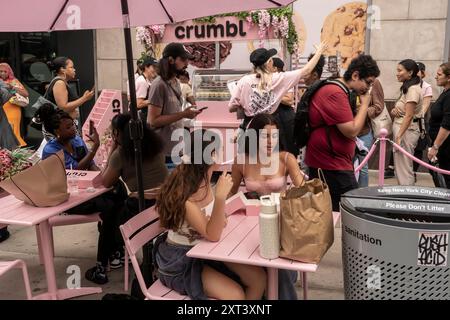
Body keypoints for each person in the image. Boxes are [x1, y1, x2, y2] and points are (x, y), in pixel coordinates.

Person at [154, 129, 267, 300]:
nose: (222, 153)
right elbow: (213, 234)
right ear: (211, 156)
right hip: (181, 260)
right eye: (219, 150)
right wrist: (221, 197)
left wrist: (215, 217)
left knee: (258, 278)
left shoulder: (204, 181)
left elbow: (214, 224)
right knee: (235, 296)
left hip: (204, 250)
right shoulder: (187, 197)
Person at [37, 104, 127, 284]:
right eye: (68, 127)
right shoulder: (51, 150)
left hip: (89, 192)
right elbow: (73, 173)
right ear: (56, 131)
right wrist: (95, 148)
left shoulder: (77, 141)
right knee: (111, 208)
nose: (74, 129)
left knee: (120, 192)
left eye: (73, 125)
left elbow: (91, 166)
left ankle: (113, 250)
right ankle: (108, 256)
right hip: (69, 199)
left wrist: (102, 180)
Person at [305, 54, 380, 211]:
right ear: (355, 75)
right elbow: (351, 130)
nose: (368, 88)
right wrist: (365, 104)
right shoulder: (335, 92)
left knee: (336, 212)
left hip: (334, 162)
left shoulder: (341, 90)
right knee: (352, 210)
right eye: (368, 82)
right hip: (330, 165)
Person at [229, 43, 328, 148]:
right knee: (271, 160)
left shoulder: (244, 80)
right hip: (270, 129)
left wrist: (246, 106)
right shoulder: (277, 79)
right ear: (269, 64)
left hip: (250, 128)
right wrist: (319, 52)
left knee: (251, 160)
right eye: (271, 60)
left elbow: (231, 107)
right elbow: (306, 70)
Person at [147, 43, 203, 168]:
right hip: (162, 152)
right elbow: (153, 121)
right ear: (171, 60)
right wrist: (184, 114)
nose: (186, 64)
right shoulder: (159, 85)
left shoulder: (176, 82)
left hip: (176, 148)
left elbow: (174, 114)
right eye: (183, 59)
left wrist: (187, 113)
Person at [391, 59, 423, 186]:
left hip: (406, 131)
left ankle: (407, 198)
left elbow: (409, 115)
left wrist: (399, 135)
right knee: (401, 167)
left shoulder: (413, 89)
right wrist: (394, 110)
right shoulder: (408, 87)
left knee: (404, 168)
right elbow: (405, 110)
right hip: (403, 130)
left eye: (400, 70)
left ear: (410, 73)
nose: (397, 73)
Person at [355, 78, 385, 187]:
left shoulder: (374, 82)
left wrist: (364, 111)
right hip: (348, 130)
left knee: (363, 165)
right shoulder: (351, 80)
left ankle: (363, 193)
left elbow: (379, 106)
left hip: (364, 131)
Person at [46, 56, 95, 122]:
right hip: (59, 128)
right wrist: (84, 98)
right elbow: (63, 108)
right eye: (71, 67)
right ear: (62, 69)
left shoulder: (61, 82)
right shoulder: (60, 83)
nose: (74, 69)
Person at [427, 62, 450, 188]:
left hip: (445, 147)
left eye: (439, 74)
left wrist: (436, 146)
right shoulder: (445, 93)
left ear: (449, 77)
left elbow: (447, 124)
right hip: (441, 145)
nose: (436, 77)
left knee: (445, 177)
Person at [413, 62, 434, 178]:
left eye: (417, 71)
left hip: (421, 122)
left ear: (422, 73)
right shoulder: (408, 85)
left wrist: (414, 116)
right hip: (407, 120)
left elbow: (425, 108)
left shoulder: (426, 87)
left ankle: (414, 171)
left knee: (418, 148)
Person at [0, 63, 29, 147]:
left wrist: (13, 88)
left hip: (13, 109)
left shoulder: (14, 81)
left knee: (13, 131)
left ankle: (14, 153)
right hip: (2, 109)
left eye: (5, 71)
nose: (2, 73)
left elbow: (25, 93)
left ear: (9, 72)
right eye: (0, 71)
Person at [134, 56, 158, 121]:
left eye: (156, 67)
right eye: (153, 67)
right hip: (142, 118)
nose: (156, 70)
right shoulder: (142, 81)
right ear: (146, 67)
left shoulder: (148, 80)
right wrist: (156, 100)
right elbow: (139, 104)